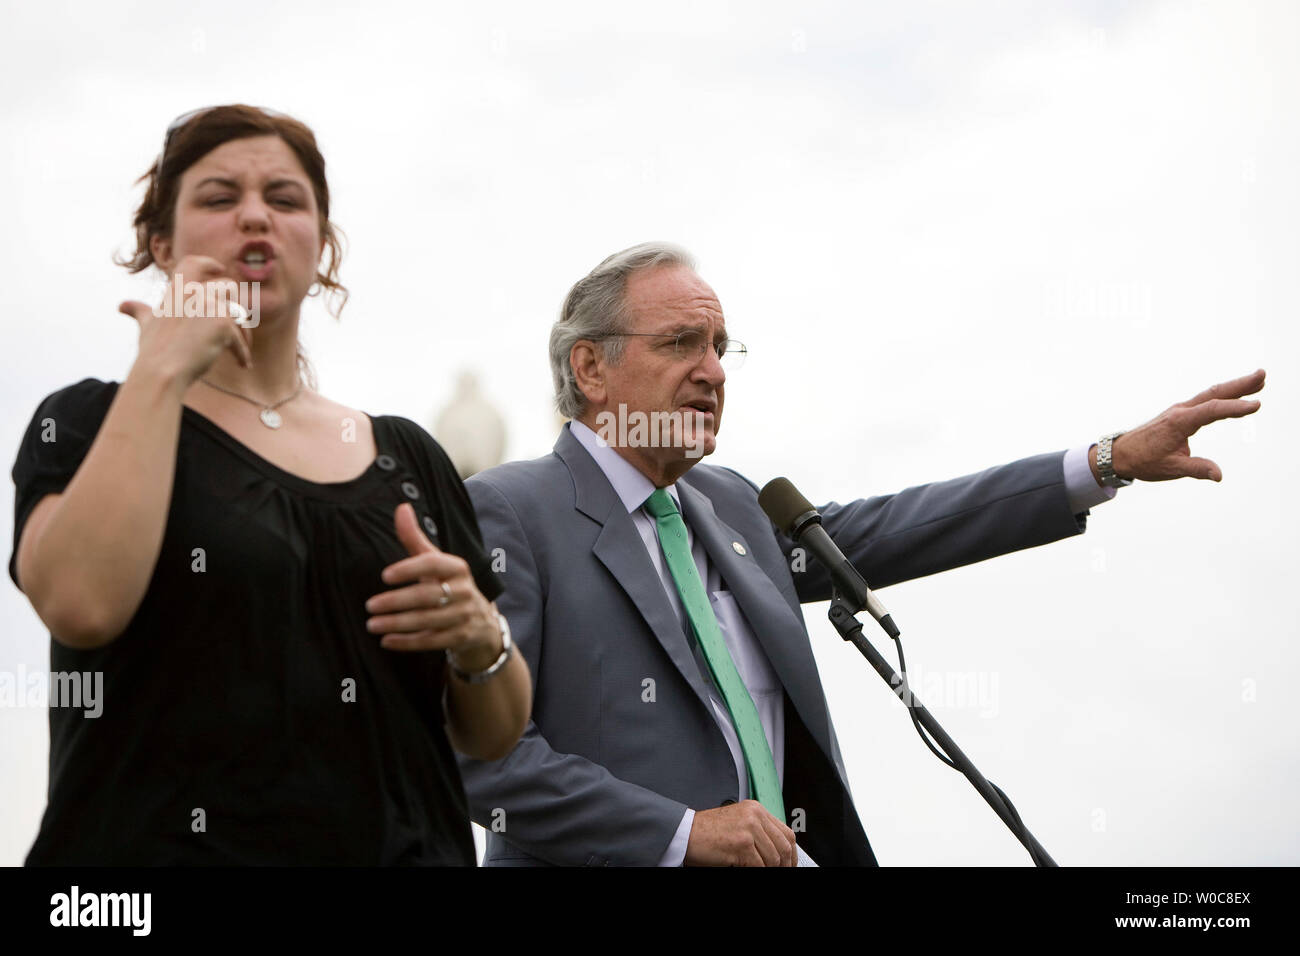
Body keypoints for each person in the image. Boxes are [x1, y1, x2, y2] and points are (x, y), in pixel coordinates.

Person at [455, 241, 1264, 866]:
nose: (711, 372)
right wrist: (680, 834)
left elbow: (909, 525)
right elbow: (480, 763)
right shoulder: (509, 512)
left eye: (720, 348)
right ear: (590, 367)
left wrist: (1106, 460)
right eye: (680, 343)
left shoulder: (733, 504)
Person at [8, 105, 530, 865]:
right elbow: (80, 605)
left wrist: (481, 640)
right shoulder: (89, 420)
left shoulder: (408, 456)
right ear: (162, 244)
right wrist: (163, 366)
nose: (255, 216)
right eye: (219, 199)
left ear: (320, 245)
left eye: (285, 200)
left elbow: (493, 729)